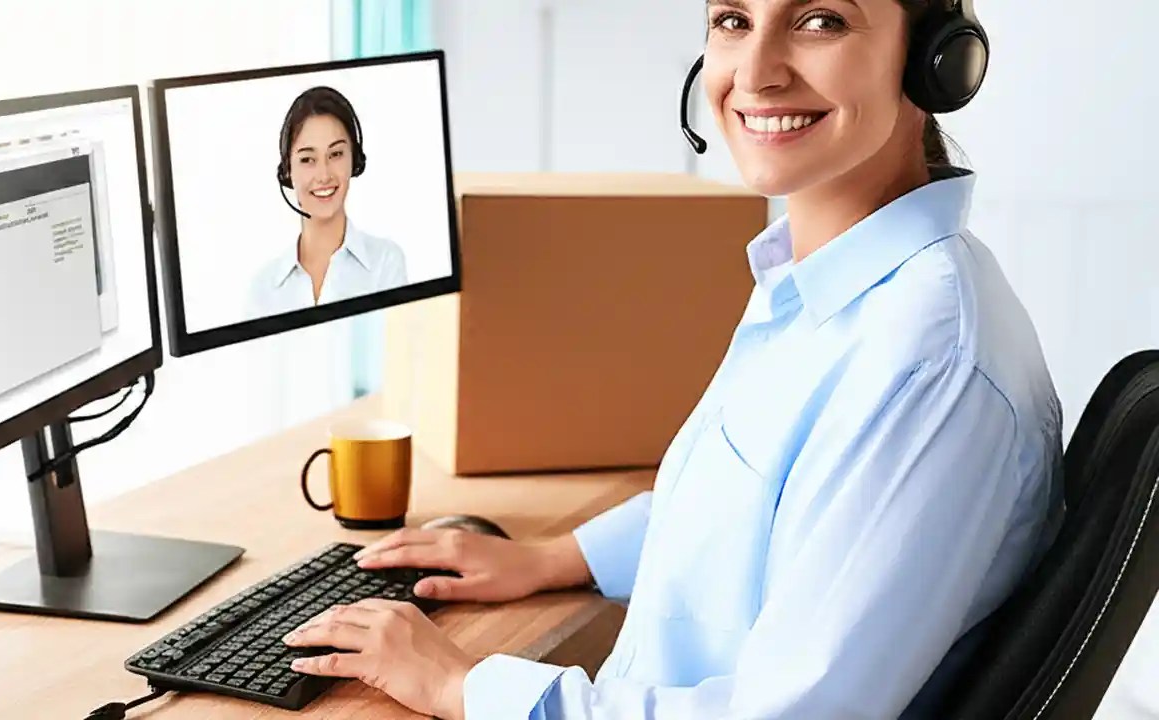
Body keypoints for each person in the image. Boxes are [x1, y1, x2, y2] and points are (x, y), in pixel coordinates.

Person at [280, 1, 1066, 718]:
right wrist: (555, 558)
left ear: (936, 61)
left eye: (820, 20)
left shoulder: (923, 357)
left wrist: (464, 686)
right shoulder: (825, 283)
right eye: (732, 19)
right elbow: (749, 494)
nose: (755, 73)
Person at [247, 86, 407, 318]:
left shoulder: (386, 263)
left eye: (335, 155)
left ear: (355, 160)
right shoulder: (263, 289)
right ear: (287, 171)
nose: (323, 175)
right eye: (307, 159)